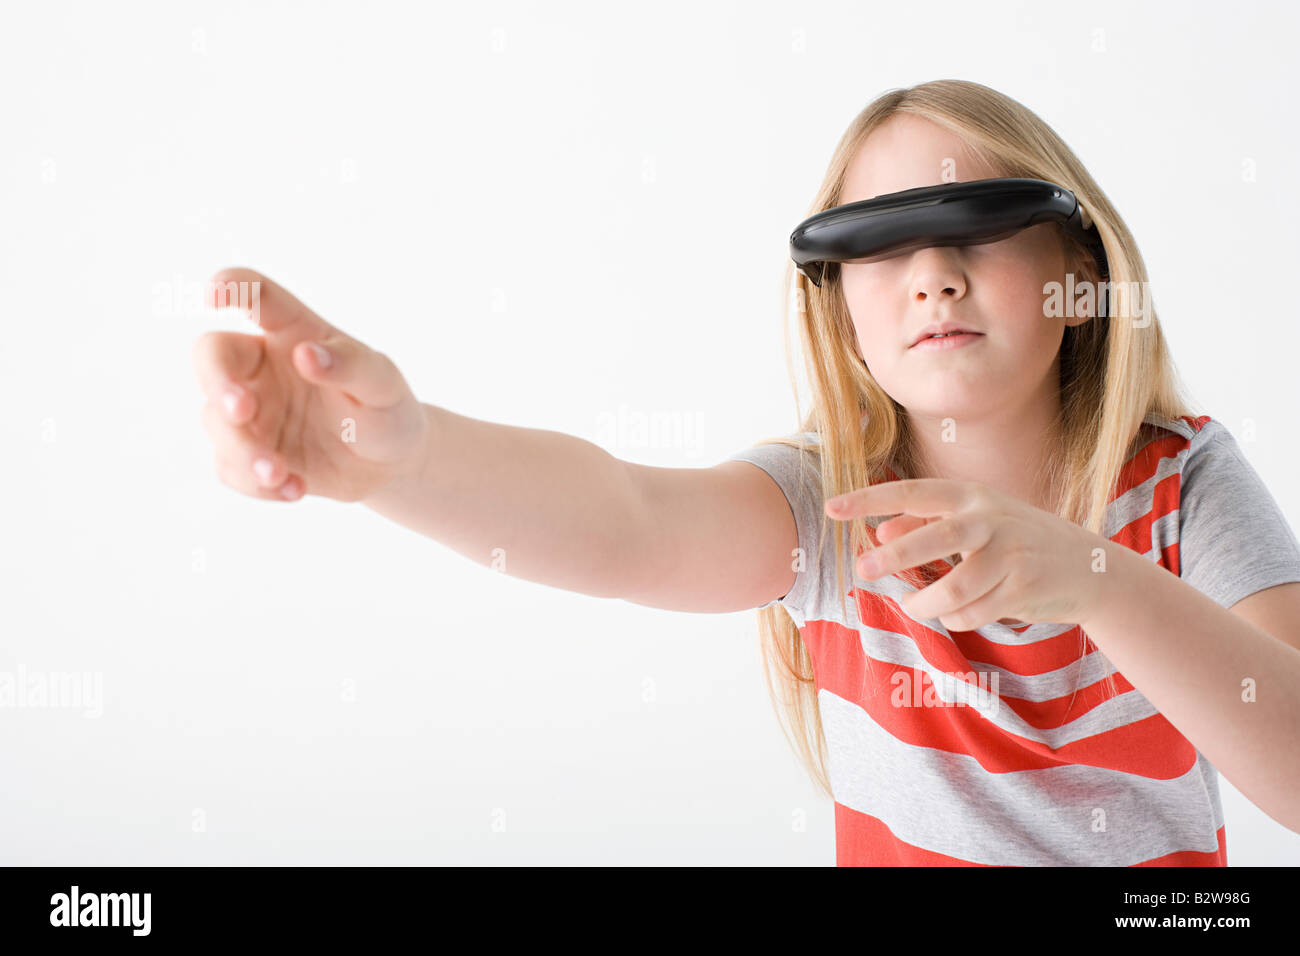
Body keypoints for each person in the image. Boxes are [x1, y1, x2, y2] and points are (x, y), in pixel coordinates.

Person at [193, 78, 1300, 866]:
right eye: (881, 243)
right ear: (838, 300)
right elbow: (624, 519)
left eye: (982, 224)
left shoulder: (1184, 483)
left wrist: (1095, 578)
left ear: (1076, 262)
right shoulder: (827, 509)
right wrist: (405, 458)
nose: (932, 277)